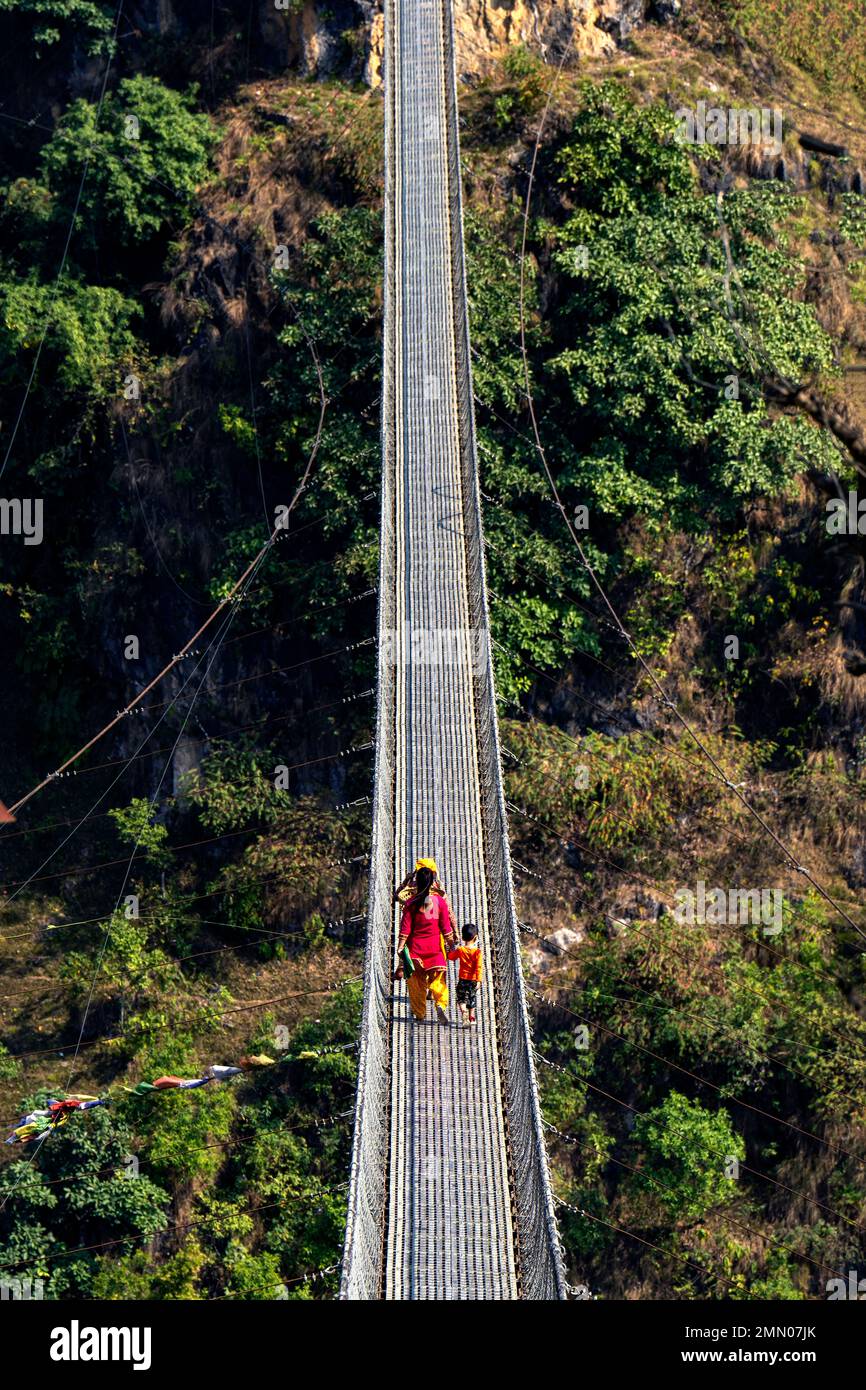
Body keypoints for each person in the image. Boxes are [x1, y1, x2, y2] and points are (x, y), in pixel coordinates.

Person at [395, 865, 456, 1024]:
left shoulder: (410, 904)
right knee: (439, 980)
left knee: (416, 984)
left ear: (417, 882)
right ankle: (440, 1003)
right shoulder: (439, 902)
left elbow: (405, 929)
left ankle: (420, 1013)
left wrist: (400, 947)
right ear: (432, 883)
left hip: (415, 952)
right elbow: (445, 928)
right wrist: (451, 944)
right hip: (435, 950)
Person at [447, 923, 483, 1025]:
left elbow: (451, 957)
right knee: (472, 997)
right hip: (473, 980)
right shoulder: (478, 952)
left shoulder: (460, 950)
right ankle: (472, 1018)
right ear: (476, 937)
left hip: (463, 979)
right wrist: (479, 980)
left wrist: (448, 951)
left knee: (461, 997)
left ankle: (464, 1012)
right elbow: (479, 967)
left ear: (462, 937)